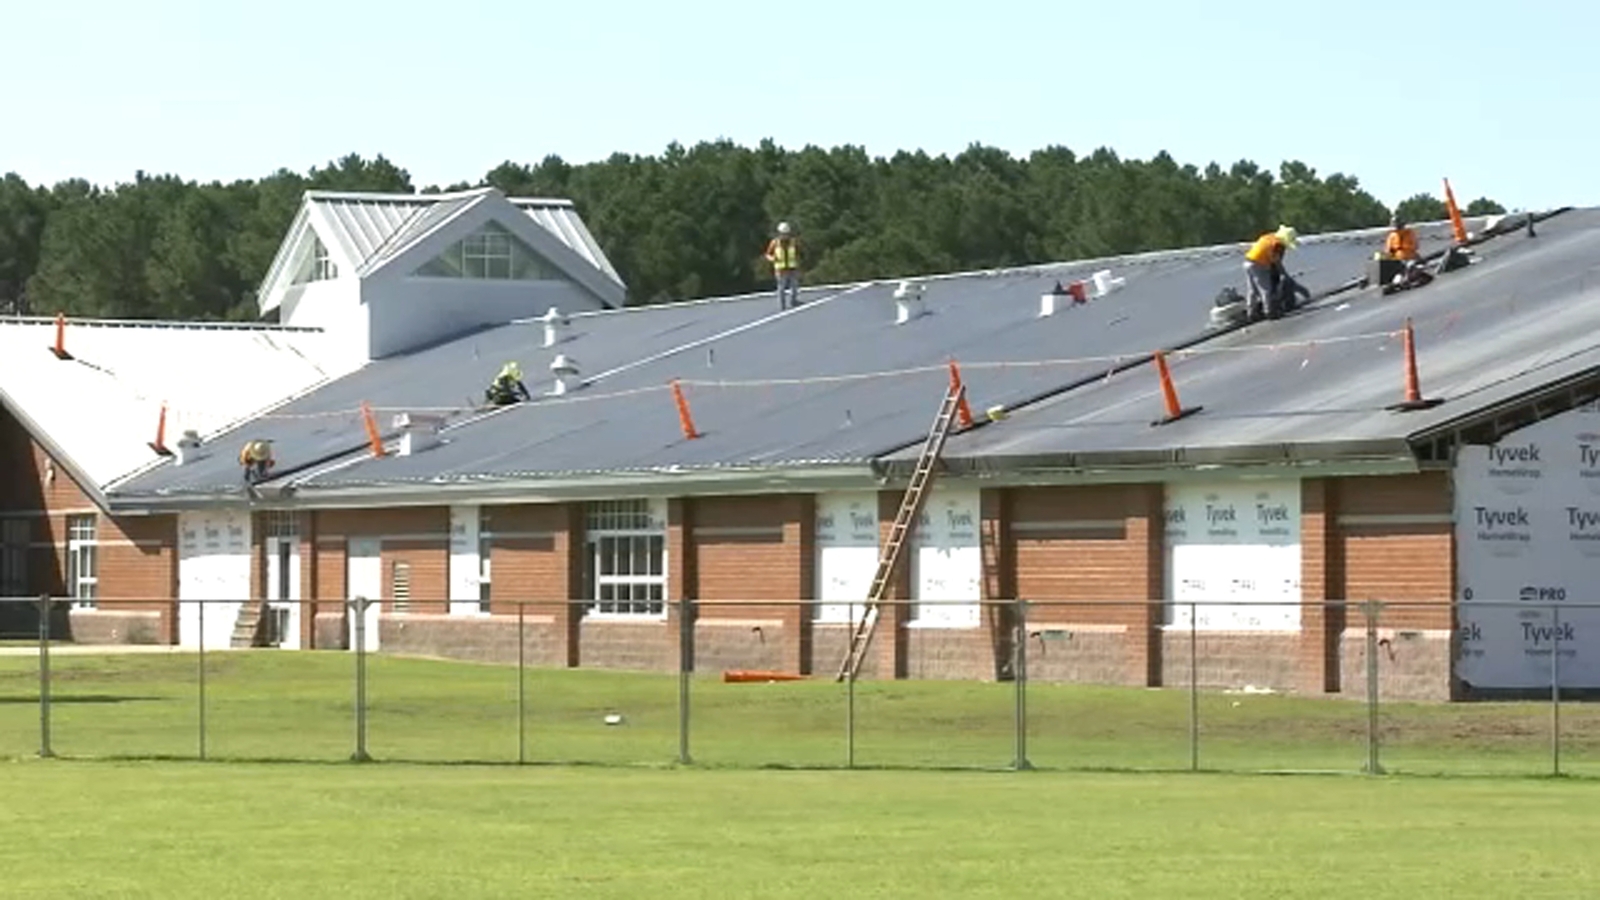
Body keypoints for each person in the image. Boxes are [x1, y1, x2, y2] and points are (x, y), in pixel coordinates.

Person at [1243, 224, 1299, 320]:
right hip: (1258, 264)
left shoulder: (1269, 237)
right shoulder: (1277, 244)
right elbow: (1277, 262)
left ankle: (1251, 313)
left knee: (1252, 290)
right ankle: (1269, 312)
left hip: (1248, 262)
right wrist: (1284, 275)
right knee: (1266, 289)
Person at [765, 222, 801, 310]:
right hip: (780, 269)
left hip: (792, 267)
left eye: (786, 234)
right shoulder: (775, 243)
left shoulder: (793, 242)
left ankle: (793, 300)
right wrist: (773, 259)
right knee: (781, 287)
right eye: (783, 234)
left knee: (794, 286)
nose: (785, 236)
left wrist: (798, 260)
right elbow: (768, 254)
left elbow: (799, 252)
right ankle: (782, 304)